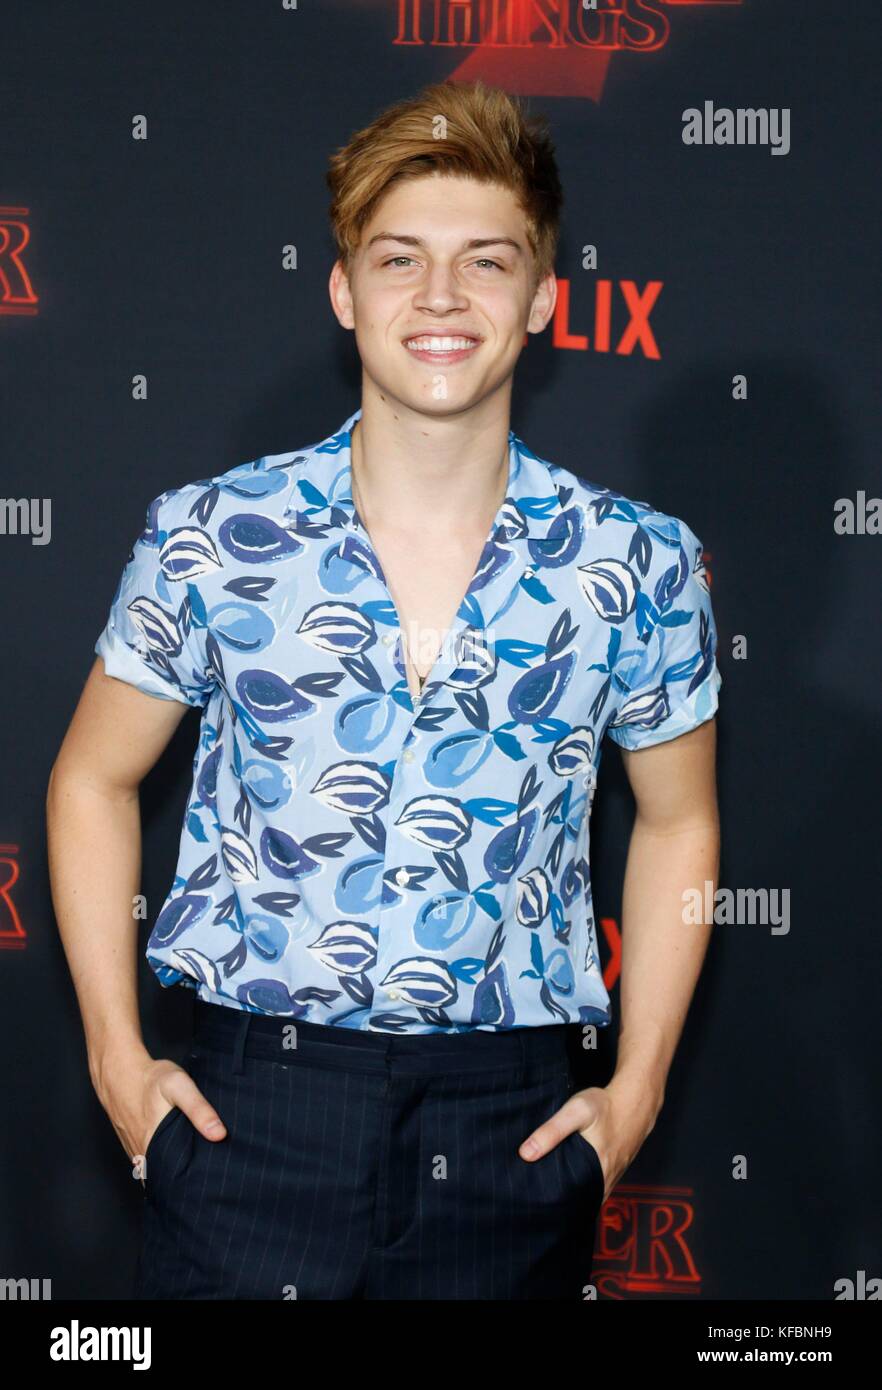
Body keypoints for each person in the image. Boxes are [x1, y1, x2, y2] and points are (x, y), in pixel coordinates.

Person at [46, 79, 721, 1300]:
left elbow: (679, 820)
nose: (444, 299)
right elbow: (92, 776)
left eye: (487, 261)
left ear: (544, 298)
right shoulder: (214, 531)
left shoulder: (636, 560)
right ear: (346, 291)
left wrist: (637, 1093)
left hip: (514, 1128)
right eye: (401, 259)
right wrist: (114, 1061)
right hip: (249, 1120)